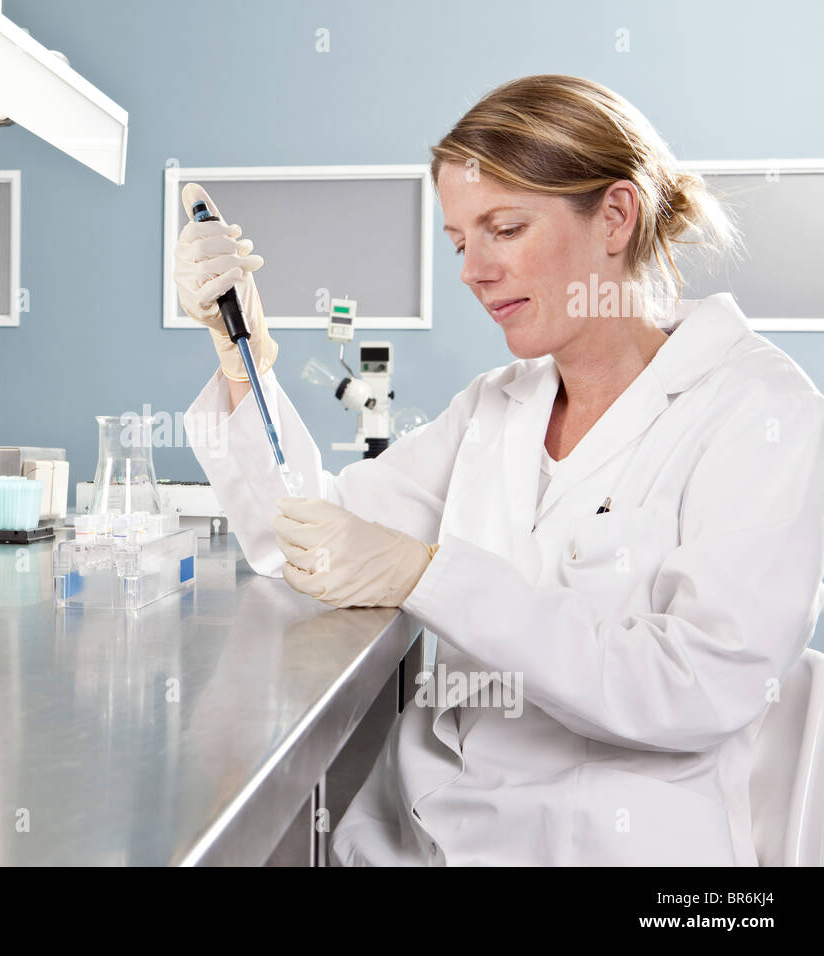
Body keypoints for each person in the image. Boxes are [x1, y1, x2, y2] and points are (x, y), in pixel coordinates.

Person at [175, 74, 824, 866]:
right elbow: (307, 538)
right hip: (424, 831)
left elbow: (696, 686)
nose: (473, 271)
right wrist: (243, 361)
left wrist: (431, 576)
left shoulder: (759, 410)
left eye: (505, 229)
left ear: (615, 217)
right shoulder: (497, 406)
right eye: (459, 242)